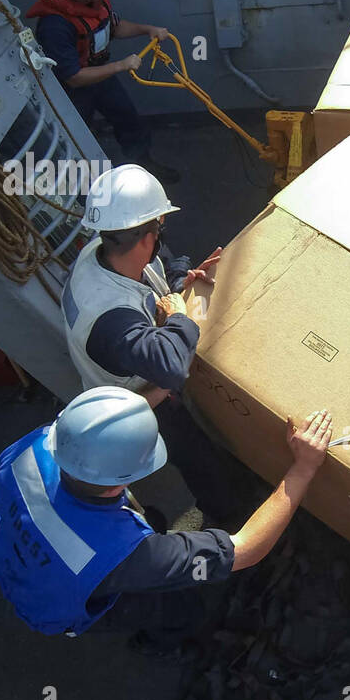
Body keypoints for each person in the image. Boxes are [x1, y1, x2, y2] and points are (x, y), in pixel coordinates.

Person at [0, 387, 332, 649]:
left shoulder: (36, 446)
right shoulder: (124, 554)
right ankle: (166, 644)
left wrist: (167, 381)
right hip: (55, 605)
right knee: (178, 608)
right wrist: (303, 468)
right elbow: (245, 550)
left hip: (13, 555)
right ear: (119, 483)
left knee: (146, 521)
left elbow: (101, 427)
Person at [61, 163, 247, 528]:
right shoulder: (110, 319)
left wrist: (182, 279)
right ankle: (230, 516)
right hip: (136, 406)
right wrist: (182, 315)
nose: (161, 237)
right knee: (197, 457)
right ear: (146, 236)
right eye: (159, 228)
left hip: (143, 373)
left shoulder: (106, 252)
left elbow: (159, 272)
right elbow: (172, 366)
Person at [26, 0, 180, 184]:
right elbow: (73, 76)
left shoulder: (93, 0)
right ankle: (84, 190)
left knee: (128, 118)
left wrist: (146, 29)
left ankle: (143, 167)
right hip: (74, 90)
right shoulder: (55, 25)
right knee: (75, 138)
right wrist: (120, 65)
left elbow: (113, 26)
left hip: (102, 75)